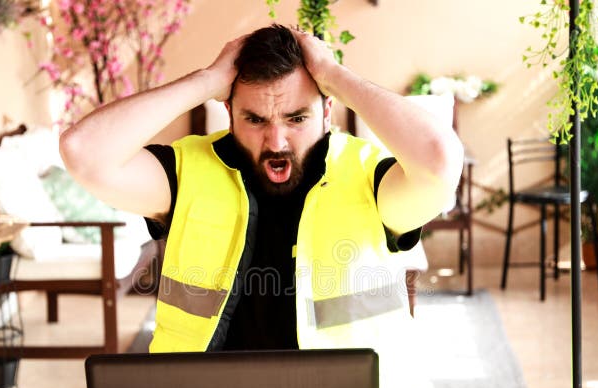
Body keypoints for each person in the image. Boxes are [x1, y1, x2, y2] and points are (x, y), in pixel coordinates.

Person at [60, 24, 463, 354]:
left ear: (327, 112)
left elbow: (440, 162)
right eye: (254, 119)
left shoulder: (368, 175)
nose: (276, 141)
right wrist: (207, 80)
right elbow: (83, 152)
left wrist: (336, 77)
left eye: (296, 118)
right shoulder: (186, 171)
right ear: (228, 112)